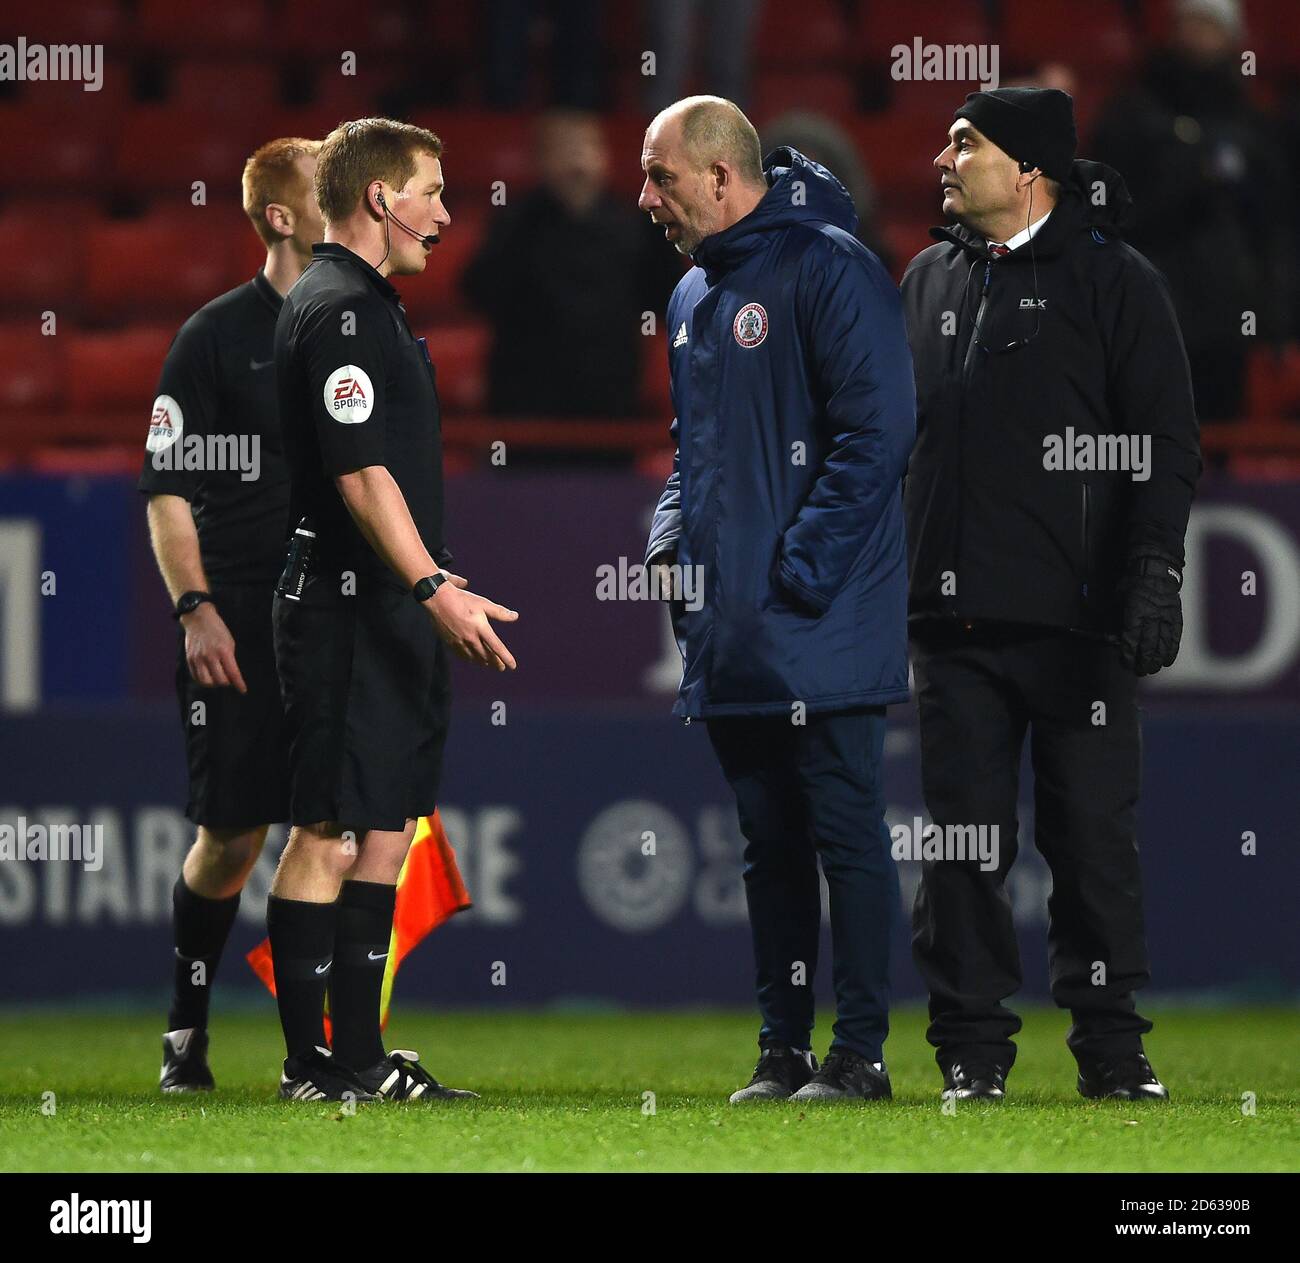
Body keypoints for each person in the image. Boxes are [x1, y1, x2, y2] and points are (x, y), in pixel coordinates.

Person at [900, 88, 1202, 1103]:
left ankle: (1114, 1055)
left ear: (1026, 168)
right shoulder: (927, 279)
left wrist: (1153, 567)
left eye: (964, 142)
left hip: (1078, 623)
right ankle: (970, 1055)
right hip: (950, 625)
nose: (943, 157)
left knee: (1090, 847)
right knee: (960, 850)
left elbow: (1165, 443)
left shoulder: (1117, 282)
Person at [642, 97, 916, 1103]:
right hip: (736, 627)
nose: (645, 198)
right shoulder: (690, 296)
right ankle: (782, 1051)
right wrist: (672, 539)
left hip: (818, 618)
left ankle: (862, 1055)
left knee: (844, 833)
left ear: (720, 176)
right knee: (766, 847)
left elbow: (876, 437)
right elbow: (694, 453)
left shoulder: (830, 267)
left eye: (659, 177)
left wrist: (799, 570)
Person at [270, 117, 519, 1103]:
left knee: (381, 828)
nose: (445, 215)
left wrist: (419, 593)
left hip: (382, 606)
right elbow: (360, 476)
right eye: (432, 192)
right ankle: (306, 1068)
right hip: (344, 603)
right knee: (327, 827)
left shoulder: (363, 304)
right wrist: (432, 588)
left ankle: (362, 1061)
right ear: (380, 198)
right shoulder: (338, 308)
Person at [140, 137, 323, 1092]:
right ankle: (187, 1026)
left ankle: (325, 1049)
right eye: (325, 192)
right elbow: (166, 488)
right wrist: (196, 607)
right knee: (233, 835)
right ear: (282, 217)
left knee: (336, 826)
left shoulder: (356, 324)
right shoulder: (212, 338)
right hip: (242, 608)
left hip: (333, 609)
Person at [461, 108, 680, 422]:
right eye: (564, 149)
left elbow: (668, 299)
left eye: (589, 146)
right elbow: (478, 292)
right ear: (541, 160)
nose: (577, 160)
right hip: (526, 405)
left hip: (611, 405)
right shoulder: (514, 222)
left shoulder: (638, 224)